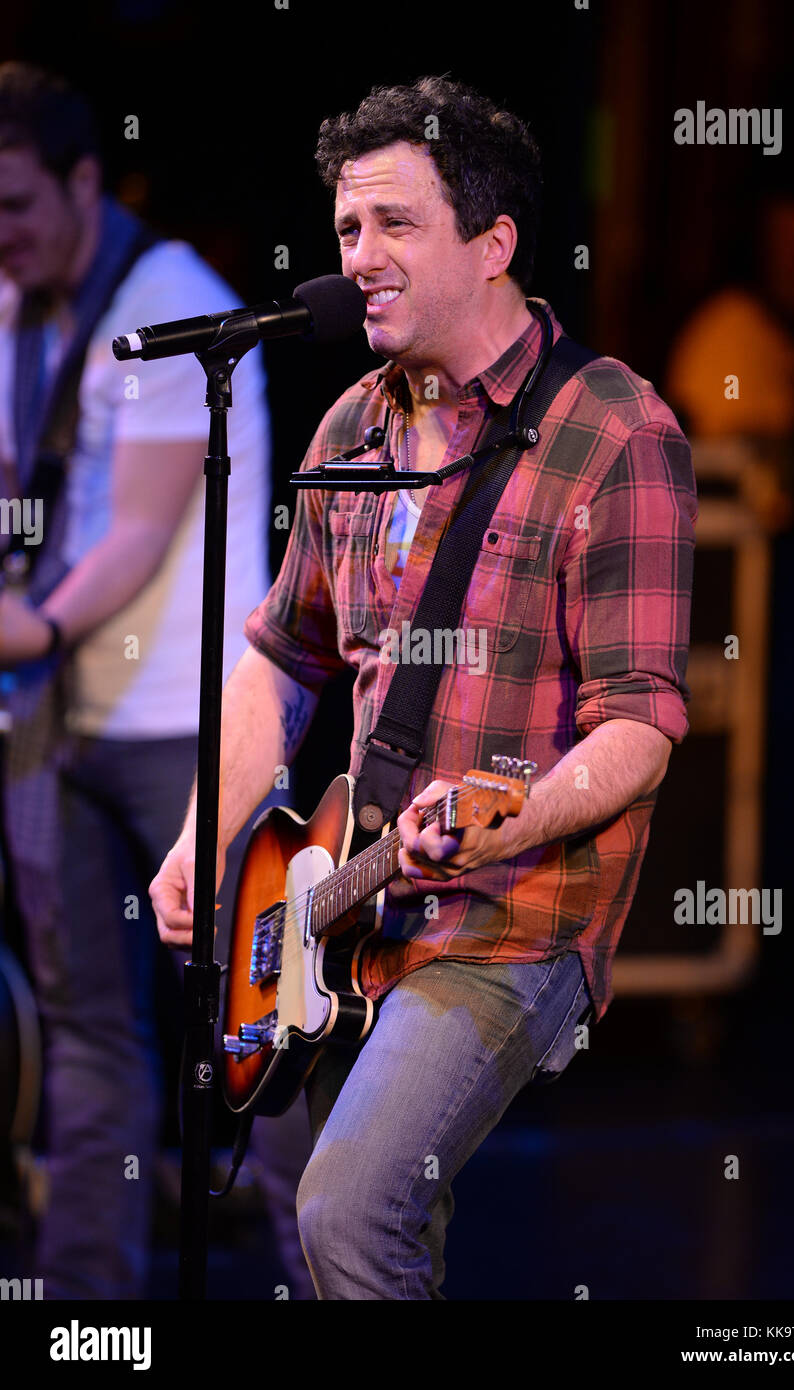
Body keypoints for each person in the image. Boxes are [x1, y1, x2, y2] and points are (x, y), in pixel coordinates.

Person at [152, 74, 698, 1301]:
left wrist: (511, 810)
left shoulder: (615, 433)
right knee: (350, 1244)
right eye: (348, 230)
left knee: (351, 1210)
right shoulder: (348, 422)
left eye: (394, 224)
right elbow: (281, 656)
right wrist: (208, 830)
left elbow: (641, 723)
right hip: (346, 899)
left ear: (494, 242)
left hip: (509, 917)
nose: (359, 258)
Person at [0, 63, 314, 1300]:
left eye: (17, 205)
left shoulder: (176, 303)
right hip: (57, 724)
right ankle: (92, 1318)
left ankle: (327, 1281)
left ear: (85, 181)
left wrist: (25, 631)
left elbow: (131, 538)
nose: (2, 234)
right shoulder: (16, 301)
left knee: (258, 1040)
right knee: (83, 1046)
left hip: (189, 722)